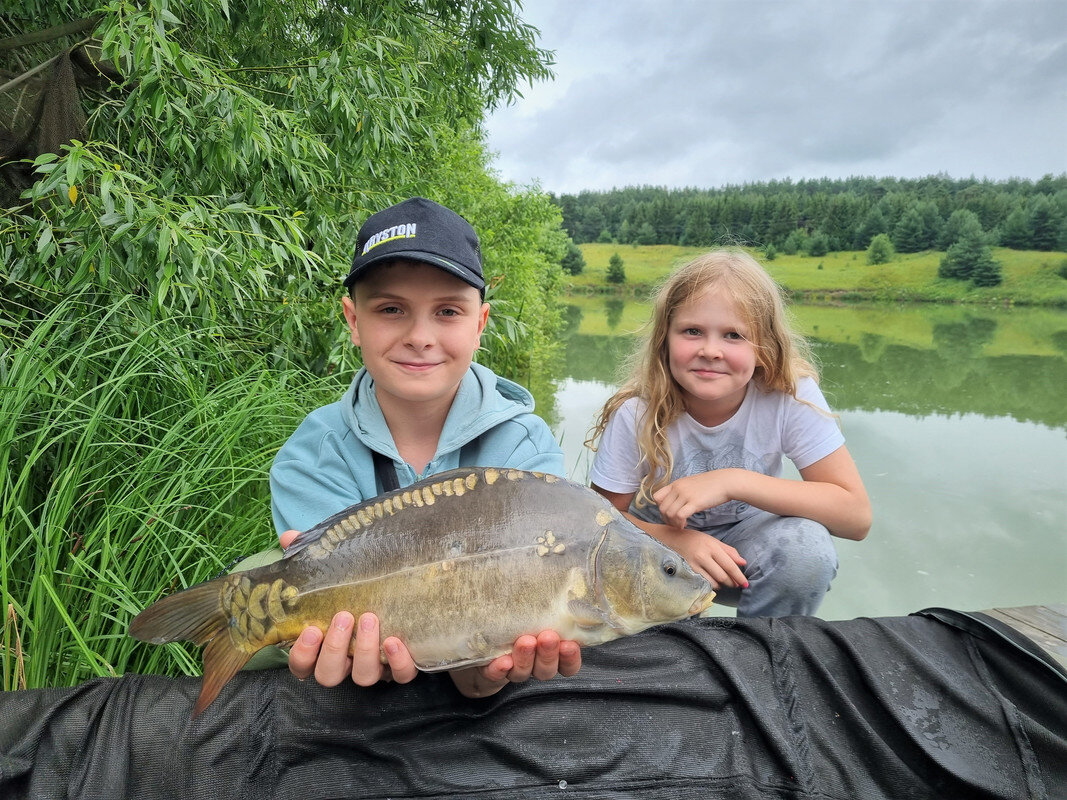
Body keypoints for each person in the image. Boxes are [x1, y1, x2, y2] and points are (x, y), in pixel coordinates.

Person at [268, 196, 581, 697]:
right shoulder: (314, 453)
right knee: (257, 592)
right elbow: (330, 602)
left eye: (448, 311)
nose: (420, 336)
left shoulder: (526, 445)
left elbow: (518, 609)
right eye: (391, 310)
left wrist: (478, 675)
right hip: (361, 685)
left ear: (480, 325)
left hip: (483, 685)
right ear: (353, 320)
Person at [587, 250, 871, 618]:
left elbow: (856, 517)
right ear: (665, 338)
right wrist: (675, 542)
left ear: (764, 347)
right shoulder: (636, 412)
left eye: (734, 335)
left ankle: (760, 658)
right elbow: (597, 521)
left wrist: (732, 481)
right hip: (652, 554)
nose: (710, 350)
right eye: (692, 331)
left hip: (745, 557)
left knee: (807, 550)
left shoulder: (789, 396)